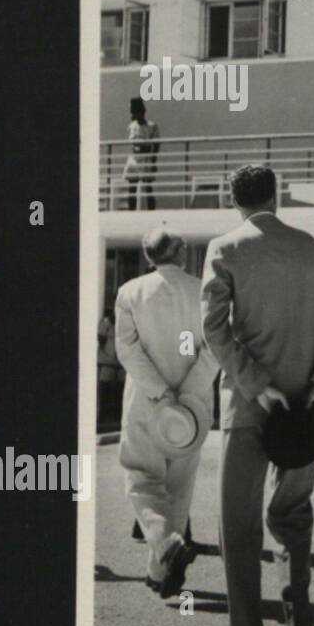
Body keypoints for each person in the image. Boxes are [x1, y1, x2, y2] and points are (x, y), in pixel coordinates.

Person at [202, 164, 314, 626]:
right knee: (292, 518)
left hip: (250, 407)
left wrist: (256, 385)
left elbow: (214, 331)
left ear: (235, 200)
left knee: (238, 526)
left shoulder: (224, 249)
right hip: (306, 410)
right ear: (276, 196)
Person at [115, 227, 219, 597]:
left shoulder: (130, 292)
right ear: (181, 251)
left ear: (148, 257)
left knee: (141, 479)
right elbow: (214, 348)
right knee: (178, 488)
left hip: (146, 401)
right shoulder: (203, 290)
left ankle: (165, 545)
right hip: (191, 407)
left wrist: (160, 393)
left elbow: (127, 351)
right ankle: (161, 572)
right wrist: (186, 394)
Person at [123, 97, 160, 210]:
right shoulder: (132, 126)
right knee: (132, 186)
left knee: (148, 186)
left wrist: (153, 161)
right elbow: (132, 142)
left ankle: (151, 211)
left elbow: (156, 144)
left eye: (133, 111)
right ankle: (131, 211)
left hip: (146, 157)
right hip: (134, 157)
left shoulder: (152, 126)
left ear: (139, 111)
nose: (131, 114)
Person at [97, 306, 125, 431]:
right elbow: (100, 339)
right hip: (108, 362)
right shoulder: (107, 323)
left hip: (122, 363)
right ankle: (104, 416)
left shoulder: (128, 320)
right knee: (106, 387)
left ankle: (117, 417)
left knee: (120, 389)